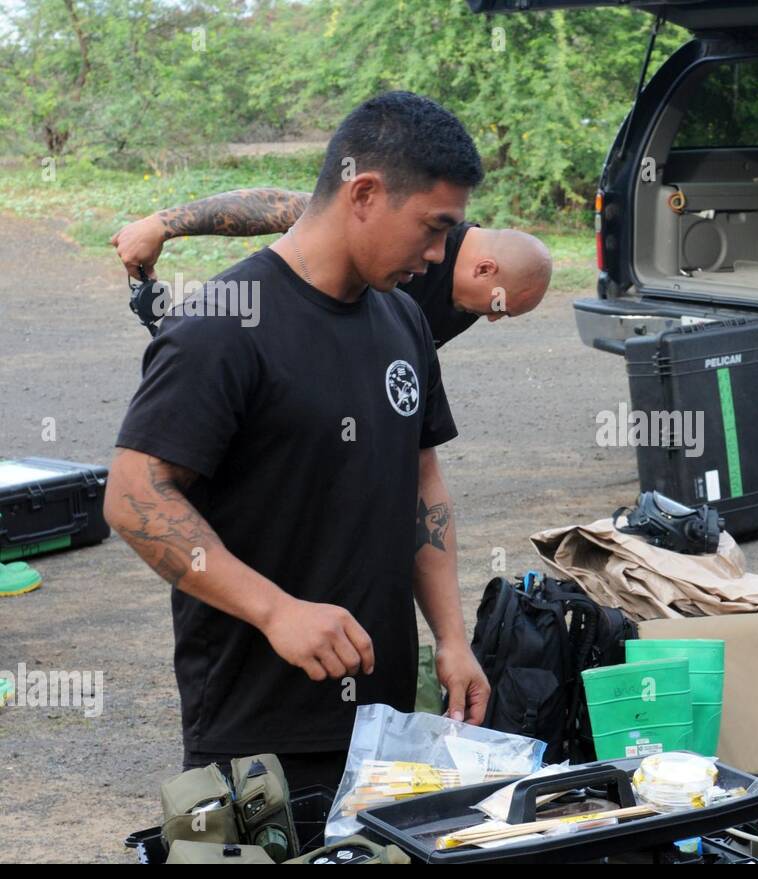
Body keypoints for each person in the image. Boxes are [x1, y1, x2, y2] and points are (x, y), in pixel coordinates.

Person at [104, 91, 493, 791]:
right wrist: (275, 609)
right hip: (261, 734)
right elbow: (133, 497)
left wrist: (452, 637)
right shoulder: (222, 326)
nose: (439, 257)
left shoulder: (402, 319)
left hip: (383, 720)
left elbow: (421, 483)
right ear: (366, 193)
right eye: (433, 229)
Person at [111, 195, 552, 348]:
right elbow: (284, 206)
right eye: (502, 309)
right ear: (485, 268)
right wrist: (161, 226)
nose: (494, 318)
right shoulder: (409, 227)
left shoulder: (469, 296)